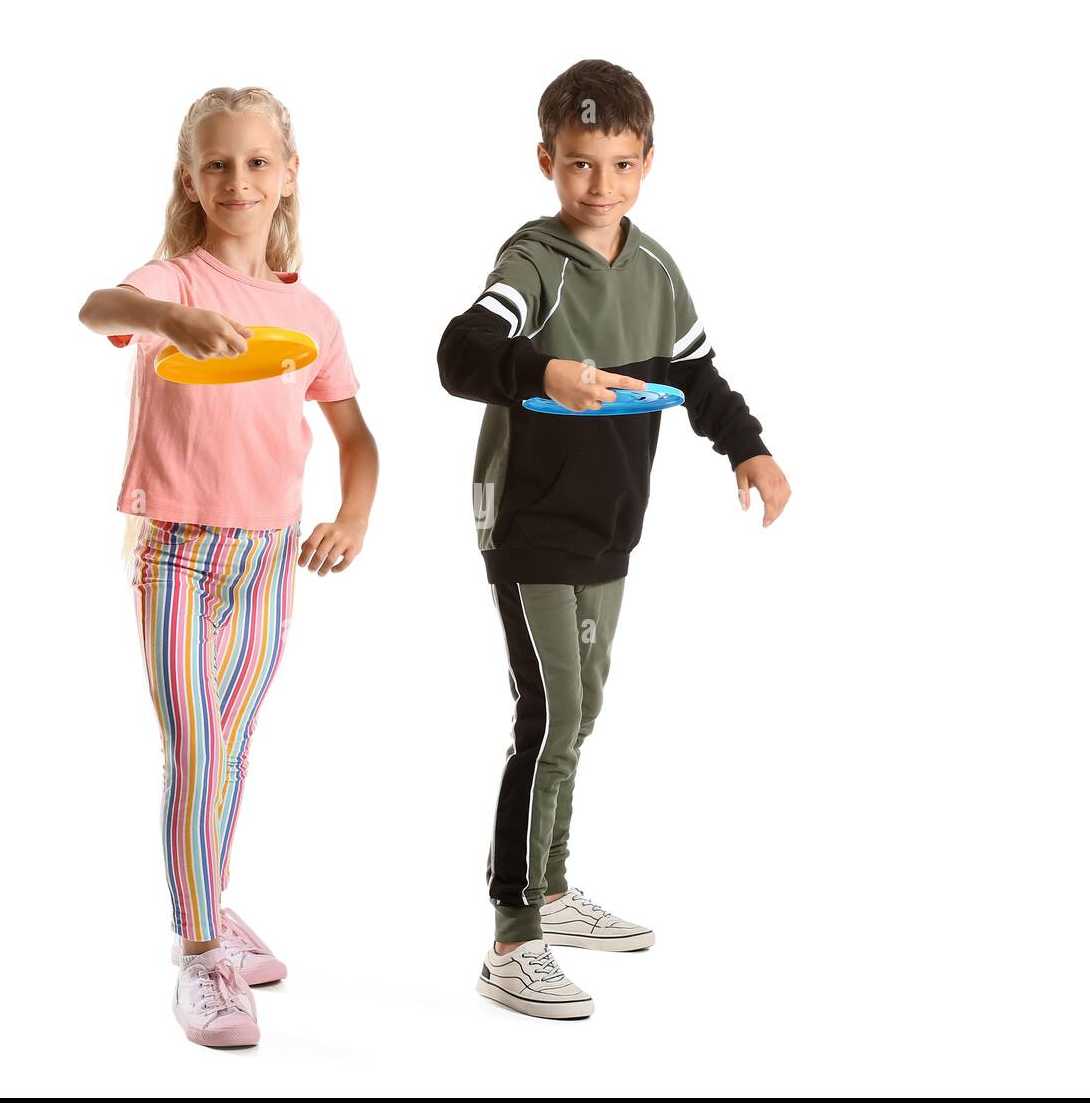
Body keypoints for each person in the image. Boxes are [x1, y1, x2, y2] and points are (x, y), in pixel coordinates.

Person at [437, 59, 790, 1019]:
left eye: (622, 165)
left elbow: (699, 376)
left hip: (610, 526)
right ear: (547, 161)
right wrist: (545, 370)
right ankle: (512, 937)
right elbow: (461, 352)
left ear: (647, 164)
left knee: (581, 713)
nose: (602, 186)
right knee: (545, 719)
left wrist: (747, 451)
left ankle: (551, 888)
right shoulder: (534, 266)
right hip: (527, 523)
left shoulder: (658, 267)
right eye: (581, 164)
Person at [78, 86, 378, 1047]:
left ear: (288, 176)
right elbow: (97, 307)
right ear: (190, 178)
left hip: (268, 557)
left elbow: (355, 435)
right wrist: (169, 321)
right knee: (197, 747)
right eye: (217, 164)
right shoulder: (175, 280)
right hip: (178, 549)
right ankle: (203, 950)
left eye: (256, 162)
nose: (237, 180)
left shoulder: (313, 314)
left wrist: (354, 516)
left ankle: (210, 899)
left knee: (232, 746)